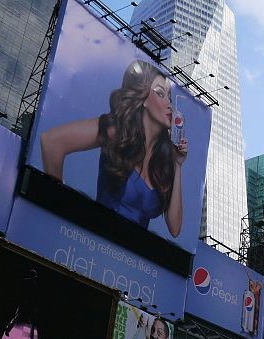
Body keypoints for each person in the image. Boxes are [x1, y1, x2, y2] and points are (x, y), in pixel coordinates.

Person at [40, 60, 188, 235]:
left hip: (135, 258)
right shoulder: (117, 132)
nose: (169, 104)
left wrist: (177, 165)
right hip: (93, 242)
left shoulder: (164, 159)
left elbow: (175, 228)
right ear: (143, 99)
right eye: (160, 93)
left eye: (169, 97)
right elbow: (52, 142)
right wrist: (59, 210)